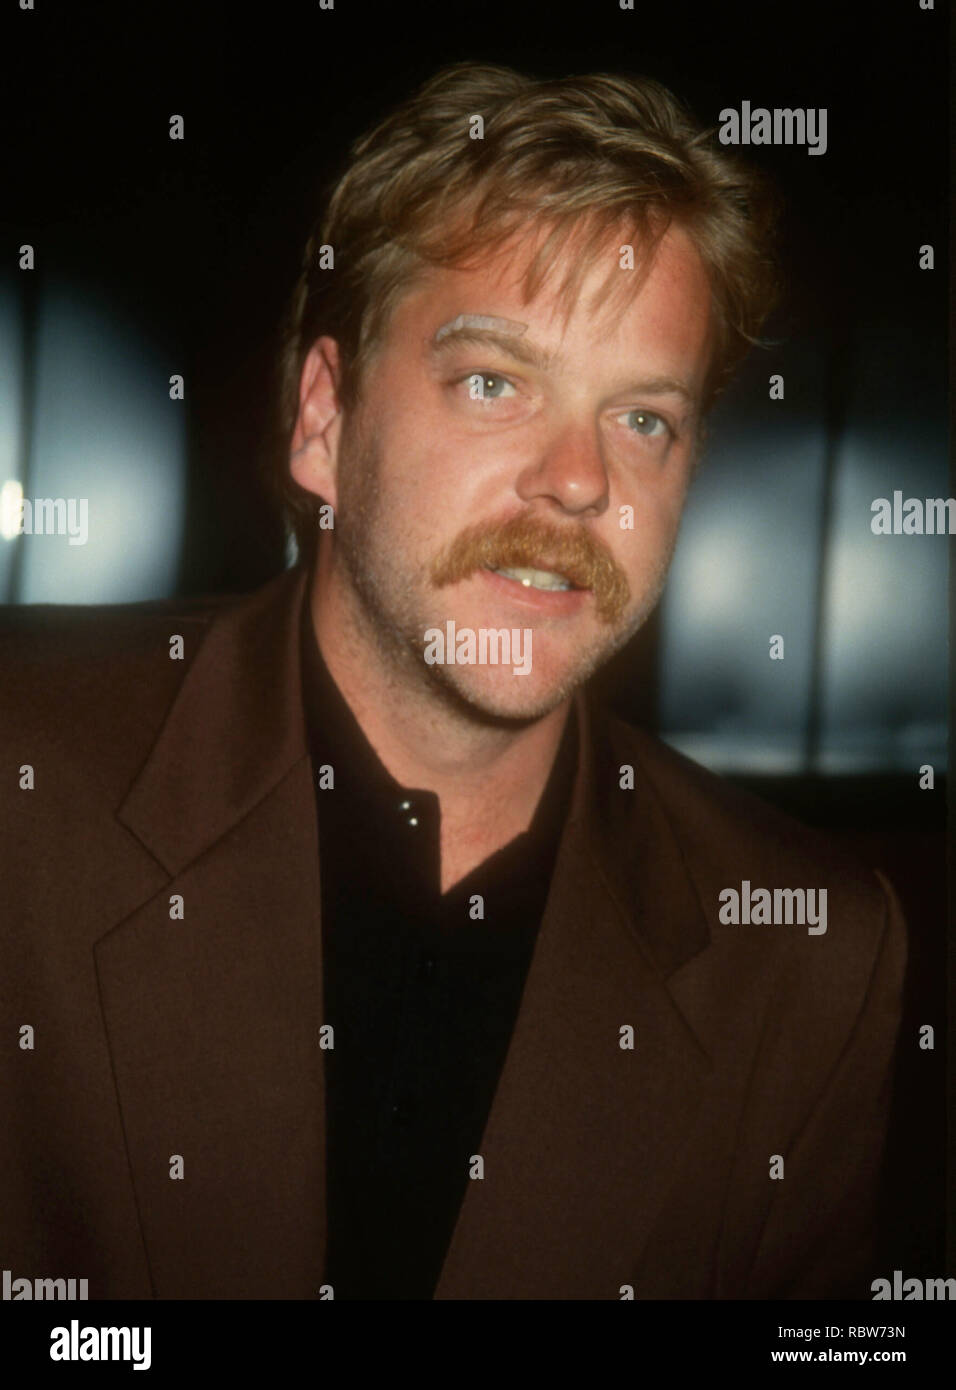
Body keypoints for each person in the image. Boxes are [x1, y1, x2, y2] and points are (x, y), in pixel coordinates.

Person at [1, 62, 906, 1300]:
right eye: (495, 383)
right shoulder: (23, 784)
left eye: (643, 417)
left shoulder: (811, 958)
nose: (580, 481)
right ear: (323, 422)